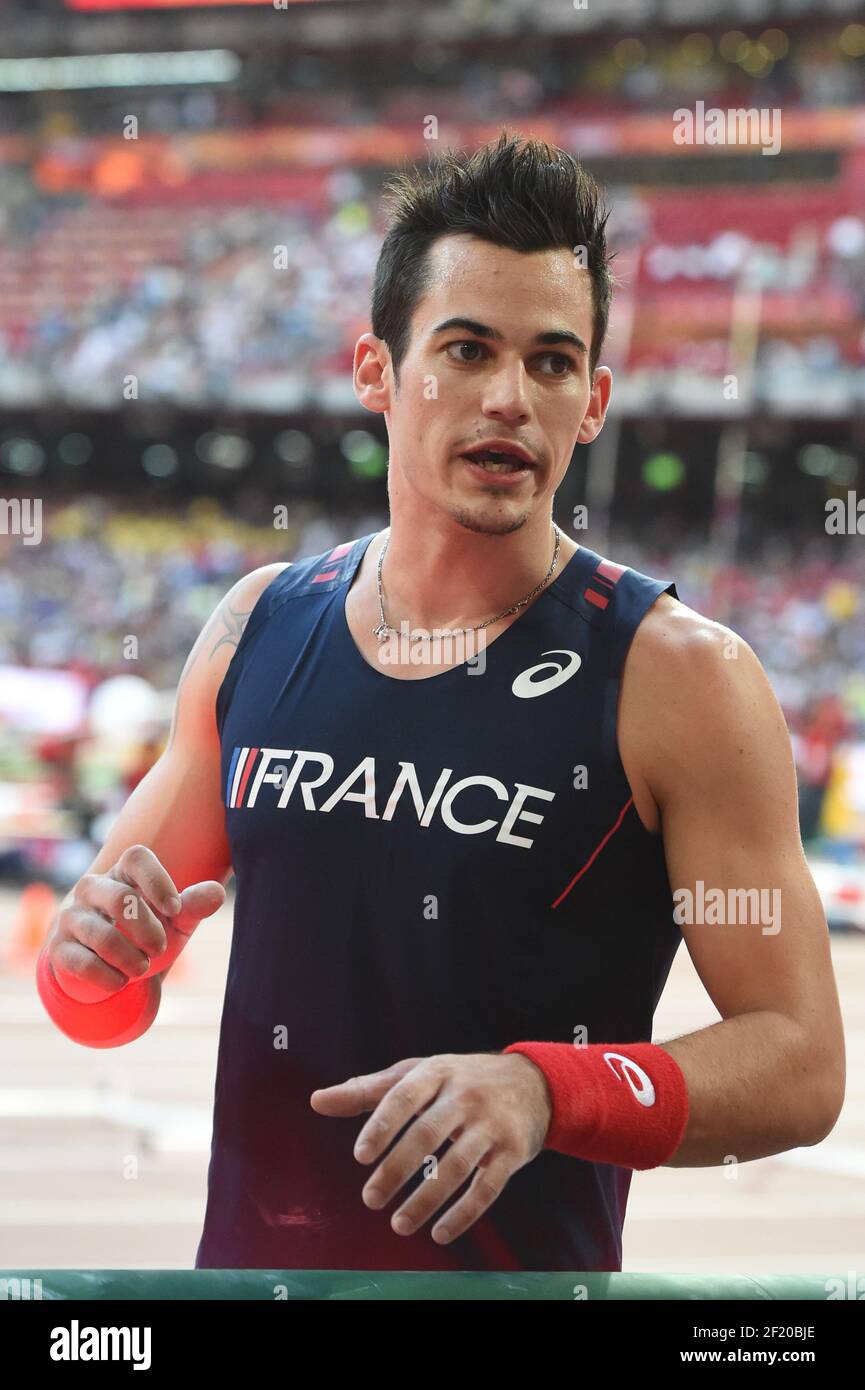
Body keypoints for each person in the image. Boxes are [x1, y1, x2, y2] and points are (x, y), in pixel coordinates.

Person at [37, 131, 845, 1272]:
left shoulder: (679, 677)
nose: (509, 398)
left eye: (553, 362)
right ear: (376, 371)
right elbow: (94, 998)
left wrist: (543, 1088)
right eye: (465, 350)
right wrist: (88, 959)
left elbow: (802, 1062)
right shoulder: (257, 625)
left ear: (595, 399)